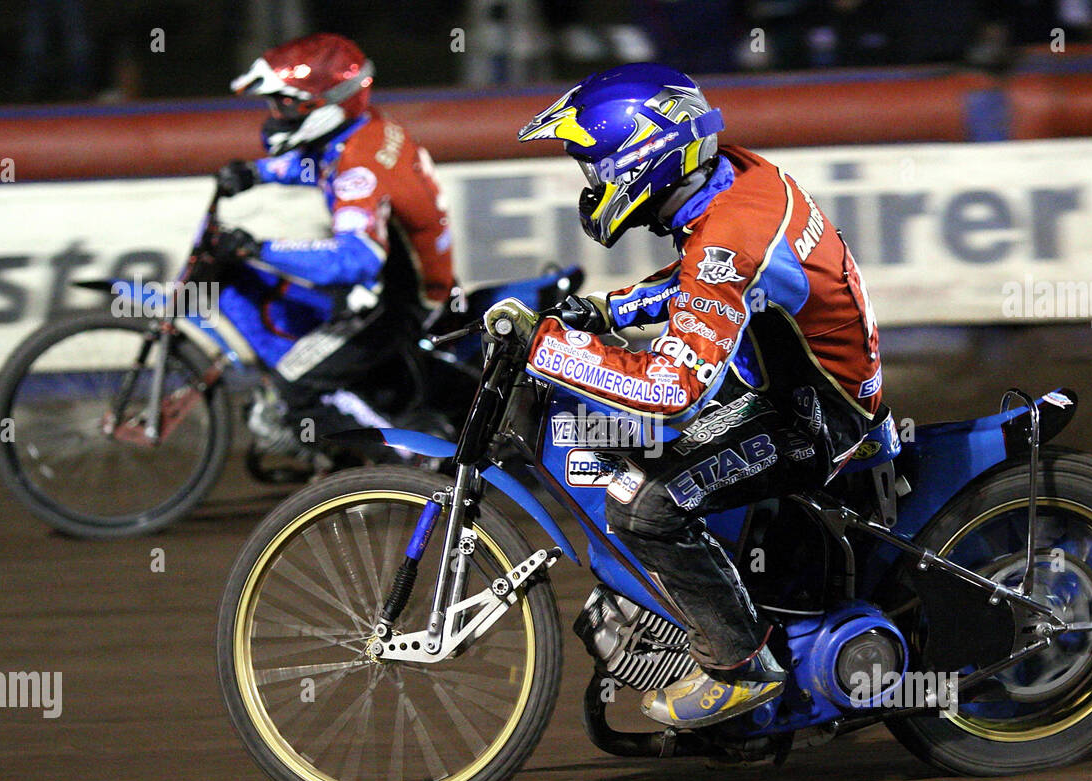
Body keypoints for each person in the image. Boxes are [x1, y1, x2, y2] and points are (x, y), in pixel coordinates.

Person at [502, 63, 882, 728]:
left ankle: (740, 666)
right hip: (785, 380)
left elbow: (671, 389)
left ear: (639, 159)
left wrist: (548, 348)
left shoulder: (731, 233)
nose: (590, 186)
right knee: (632, 441)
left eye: (594, 168)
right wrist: (605, 313)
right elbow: (697, 277)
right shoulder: (730, 179)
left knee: (642, 503)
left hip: (814, 416)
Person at [212, 33, 454, 461]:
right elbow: (317, 168)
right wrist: (258, 173)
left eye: (285, 104)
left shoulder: (358, 168)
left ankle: (413, 460)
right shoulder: (366, 131)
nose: (274, 116)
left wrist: (258, 248)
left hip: (396, 303)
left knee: (294, 382)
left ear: (325, 105)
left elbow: (353, 259)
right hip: (405, 282)